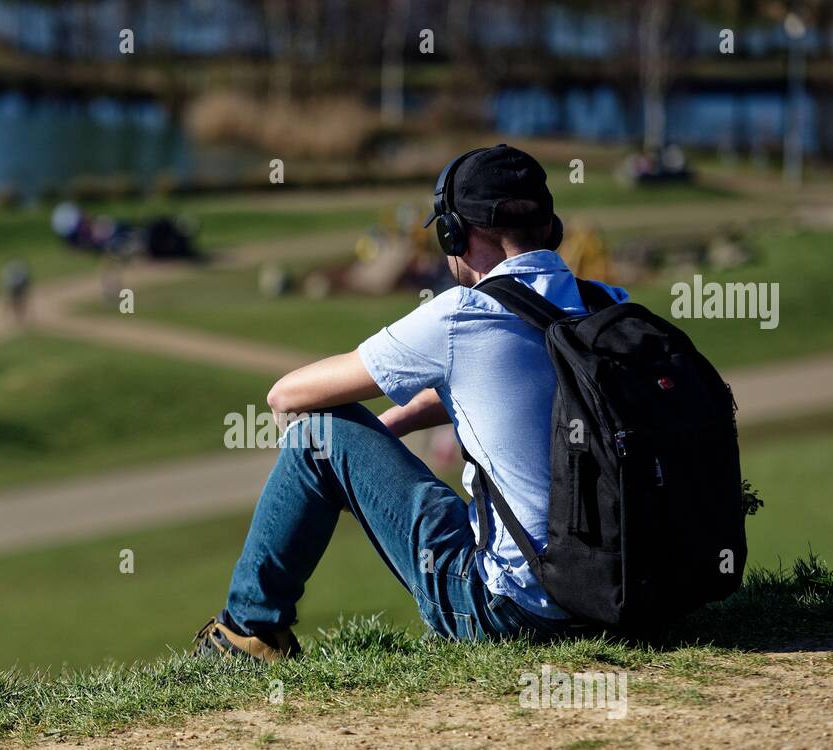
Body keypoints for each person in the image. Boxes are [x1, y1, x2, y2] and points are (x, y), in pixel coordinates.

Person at [193, 145, 628, 660]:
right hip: (614, 592)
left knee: (317, 433)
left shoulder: (462, 315)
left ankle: (247, 635)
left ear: (455, 233)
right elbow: (510, 388)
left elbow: (286, 395)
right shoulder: (608, 304)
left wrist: (346, 448)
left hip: (511, 612)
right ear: (549, 227)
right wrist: (378, 441)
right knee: (342, 442)